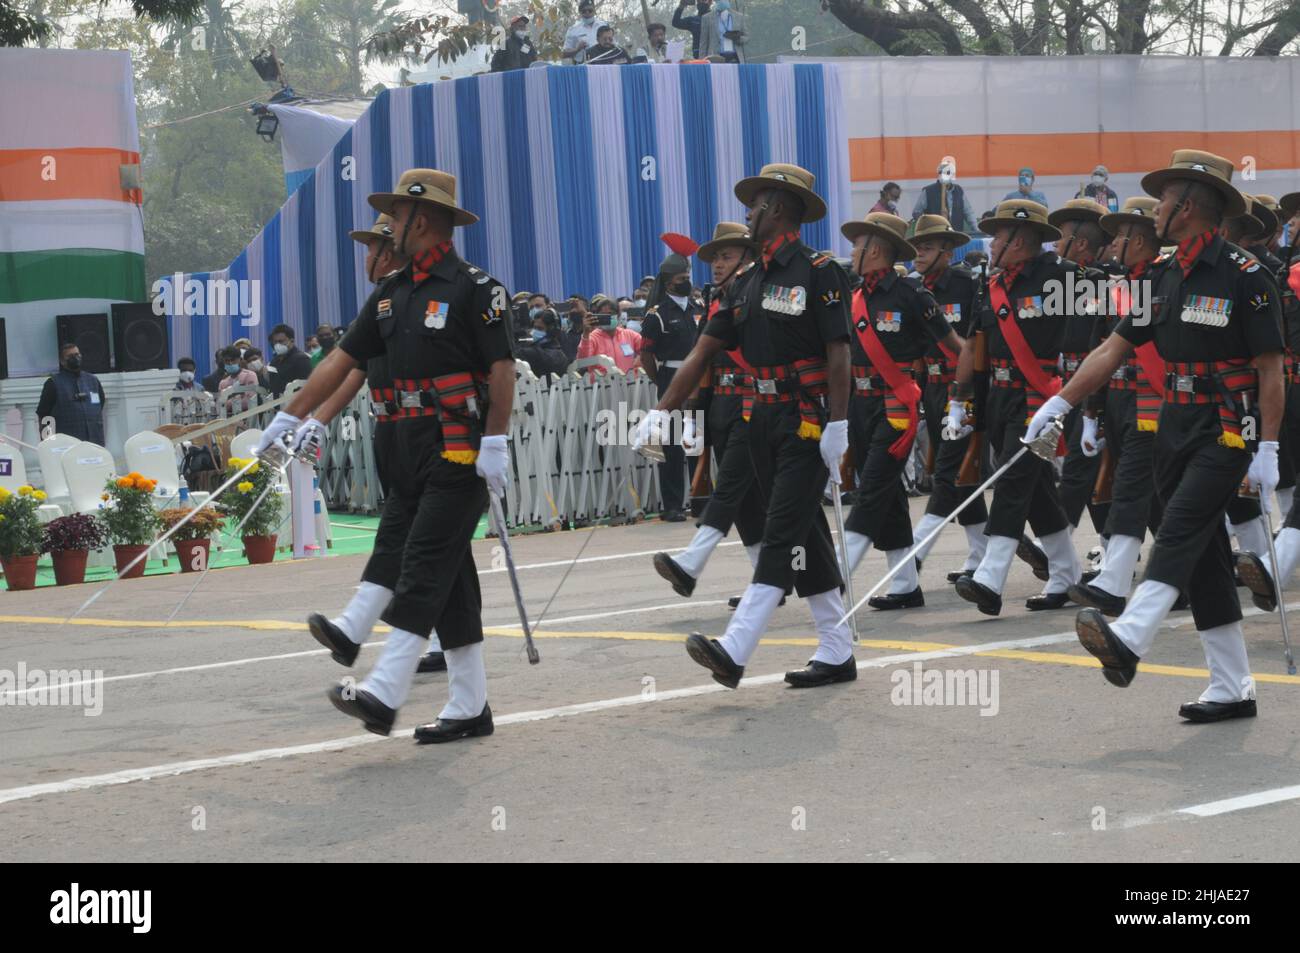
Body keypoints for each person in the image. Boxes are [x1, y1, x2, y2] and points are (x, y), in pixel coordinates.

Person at [1029, 149, 1283, 724]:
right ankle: (1232, 686)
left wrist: (1267, 447)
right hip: (1174, 423)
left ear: (1187, 207)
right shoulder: (1162, 275)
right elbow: (1112, 348)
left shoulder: (1246, 276)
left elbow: (1271, 369)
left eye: (1164, 201)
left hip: (1227, 427)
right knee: (1205, 558)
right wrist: (1061, 402)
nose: (1155, 211)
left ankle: (1131, 635)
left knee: (1180, 527)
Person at [261, 168, 514, 743]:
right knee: (439, 575)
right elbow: (341, 361)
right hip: (403, 448)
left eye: (397, 215)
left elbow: (501, 369)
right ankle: (468, 706)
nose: (390, 226)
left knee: (422, 563)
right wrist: (291, 416)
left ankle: (385, 689)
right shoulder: (391, 294)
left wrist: (495, 440)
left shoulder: (476, 289)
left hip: (457, 449)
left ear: (421, 220)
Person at [634, 163, 858, 690]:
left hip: (806, 420)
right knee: (805, 533)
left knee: (780, 531)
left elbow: (839, 351)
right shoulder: (746, 281)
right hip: (761, 418)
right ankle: (837, 649)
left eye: (754, 205)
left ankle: (735, 648)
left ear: (777, 208)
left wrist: (839, 424)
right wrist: (661, 410)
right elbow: (702, 351)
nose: (748, 214)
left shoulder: (819, 271)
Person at [945, 199, 1080, 615]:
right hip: (1000, 397)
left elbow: (1111, 323)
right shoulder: (990, 284)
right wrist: (958, 401)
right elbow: (973, 346)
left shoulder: (1063, 276)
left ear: (1019, 240)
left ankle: (990, 576)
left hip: (1041, 397)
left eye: (997, 237)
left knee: (1011, 478)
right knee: (1036, 492)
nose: (990, 245)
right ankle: (1066, 575)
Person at [836, 212, 962, 610]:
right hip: (860, 405)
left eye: (857, 245)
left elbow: (957, 348)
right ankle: (906, 585)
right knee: (888, 497)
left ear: (875, 249)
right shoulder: (853, 296)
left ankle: (834, 579)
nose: (852, 251)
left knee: (871, 490)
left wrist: (966, 396)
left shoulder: (912, 294)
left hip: (896, 409)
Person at [652, 222, 770, 601]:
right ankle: (766, 583)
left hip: (754, 405)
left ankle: (690, 564)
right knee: (747, 504)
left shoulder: (760, 296)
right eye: (715, 257)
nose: (717, 264)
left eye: (727, 256)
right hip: (721, 404)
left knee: (729, 487)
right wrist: (694, 417)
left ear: (748, 259)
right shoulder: (716, 301)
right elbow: (705, 363)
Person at [1067, 197, 1165, 616]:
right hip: (1119, 399)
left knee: (1129, 487)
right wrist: (1092, 412)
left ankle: (1113, 582)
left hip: (1155, 400)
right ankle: (1189, 581)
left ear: (1138, 241)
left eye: (1120, 236)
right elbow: (1101, 350)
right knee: (1156, 498)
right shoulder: (1116, 289)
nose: (1112, 245)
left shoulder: (1166, 281)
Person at [906, 214, 988, 585]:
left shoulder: (968, 285)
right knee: (962, 477)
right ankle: (981, 555)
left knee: (947, 473)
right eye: (916, 248)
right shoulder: (914, 289)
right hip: (933, 388)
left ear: (948, 250)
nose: (918, 254)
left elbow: (978, 341)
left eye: (926, 247)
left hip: (963, 391)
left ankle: (913, 557)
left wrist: (969, 392)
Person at [1050, 198, 1113, 549]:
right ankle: (1111, 545)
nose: (1056, 246)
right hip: (1071, 386)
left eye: (1061, 238)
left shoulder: (1104, 282)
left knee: (1077, 468)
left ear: (1081, 244)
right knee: (1089, 473)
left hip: (1097, 387)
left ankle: (1055, 546)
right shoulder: (1065, 282)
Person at [640, 252, 704, 522]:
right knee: (671, 445)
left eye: (688, 277)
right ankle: (673, 505)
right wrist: (661, 381)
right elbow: (646, 355)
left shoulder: (698, 308)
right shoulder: (657, 315)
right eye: (681, 278)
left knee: (697, 442)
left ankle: (701, 500)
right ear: (668, 282)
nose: (686, 282)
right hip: (671, 376)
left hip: (698, 378)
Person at [36, 342, 106, 444]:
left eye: (77, 354)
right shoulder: (53, 383)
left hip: (94, 440)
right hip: (66, 443)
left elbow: (100, 404)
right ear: (62, 361)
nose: (75, 358)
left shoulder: (93, 381)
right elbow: (44, 415)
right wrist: (48, 443)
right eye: (70, 356)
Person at [577, 294, 642, 373]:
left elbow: (646, 351)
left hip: (628, 379)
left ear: (618, 315)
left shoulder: (630, 335)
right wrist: (586, 334)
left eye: (610, 313)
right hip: (601, 380)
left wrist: (637, 366)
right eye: (603, 315)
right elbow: (582, 362)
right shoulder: (592, 337)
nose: (606, 317)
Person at [912, 158, 977, 233]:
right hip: (935, 234)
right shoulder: (928, 191)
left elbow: (968, 212)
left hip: (956, 234)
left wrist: (976, 229)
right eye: (941, 172)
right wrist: (928, 225)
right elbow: (916, 213)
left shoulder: (959, 191)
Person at [268, 323, 314, 399]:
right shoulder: (274, 361)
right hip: (276, 403)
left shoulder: (302, 360)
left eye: (281, 341)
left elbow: (307, 386)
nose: (277, 345)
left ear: (292, 341)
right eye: (275, 342)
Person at [216, 345, 259, 413]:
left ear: (239, 360)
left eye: (233, 360)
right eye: (227, 361)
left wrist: (228, 401)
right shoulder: (223, 383)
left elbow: (249, 401)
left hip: (247, 416)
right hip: (228, 418)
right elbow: (219, 406)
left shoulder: (250, 375)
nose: (230, 363)